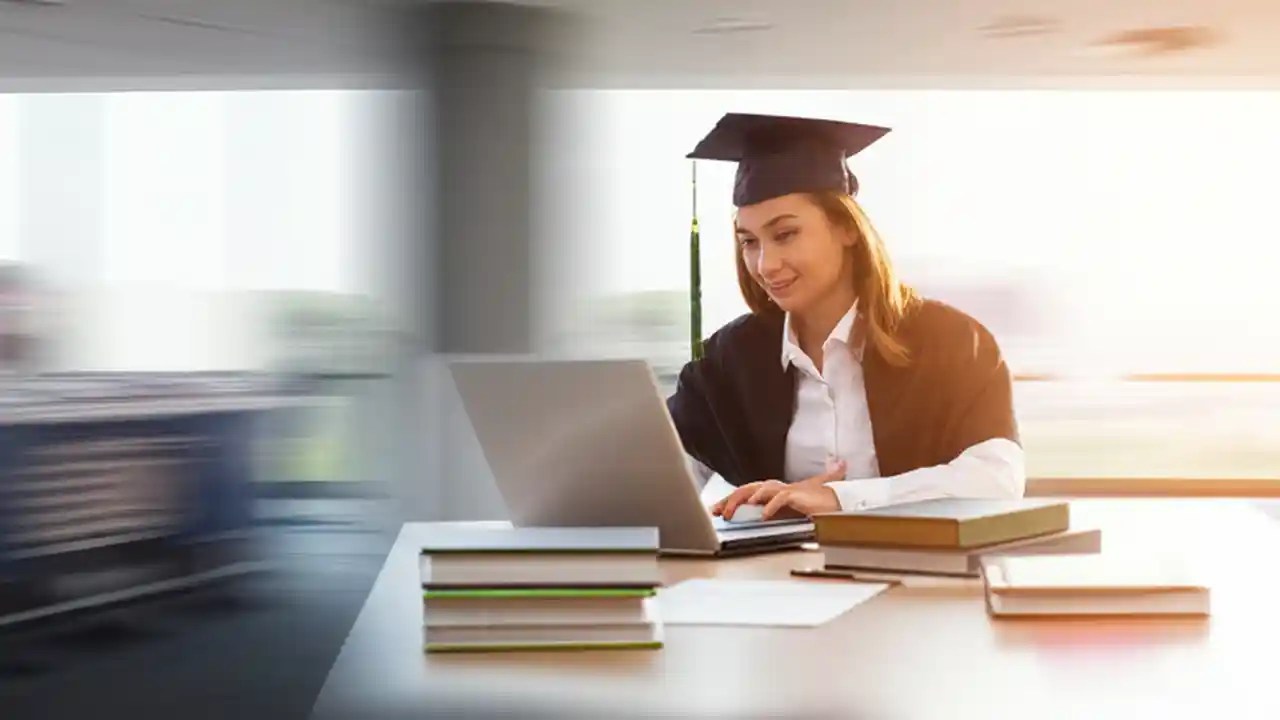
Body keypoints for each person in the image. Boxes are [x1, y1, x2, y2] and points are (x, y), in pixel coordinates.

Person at [667, 112, 1024, 522]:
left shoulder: (950, 340)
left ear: (847, 229)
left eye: (785, 235)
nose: (764, 264)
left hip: (921, 572)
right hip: (780, 579)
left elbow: (998, 479)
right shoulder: (731, 359)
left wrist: (844, 498)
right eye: (749, 241)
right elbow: (665, 472)